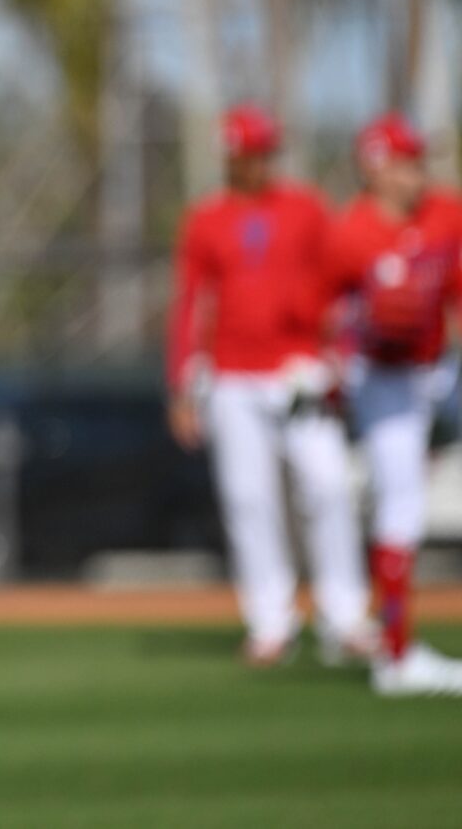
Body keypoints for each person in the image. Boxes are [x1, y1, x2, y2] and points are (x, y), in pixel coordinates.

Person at [166, 104, 372, 668]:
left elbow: (343, 284)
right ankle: (270, 621)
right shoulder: (206, 219)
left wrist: (342, 356)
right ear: (229, 155)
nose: (253, 163)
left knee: (328, 485)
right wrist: (182, 387)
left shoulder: (305, 209)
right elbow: (189, 304)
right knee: (249, 499)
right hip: (231, 377)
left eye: (260, 152)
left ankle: (346, 616)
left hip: (298, 370)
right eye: (244, 152)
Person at [323, 113, 462, 697]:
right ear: (373, 168)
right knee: (399, 508)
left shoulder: (445, 213)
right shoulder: (349, 234)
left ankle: (392, 648)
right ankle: (395, 654)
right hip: (380, 376)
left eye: (415, 161)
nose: (414, 173)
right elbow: (321, 316)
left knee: (401, 505)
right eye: (402, 163)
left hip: (440, 368)